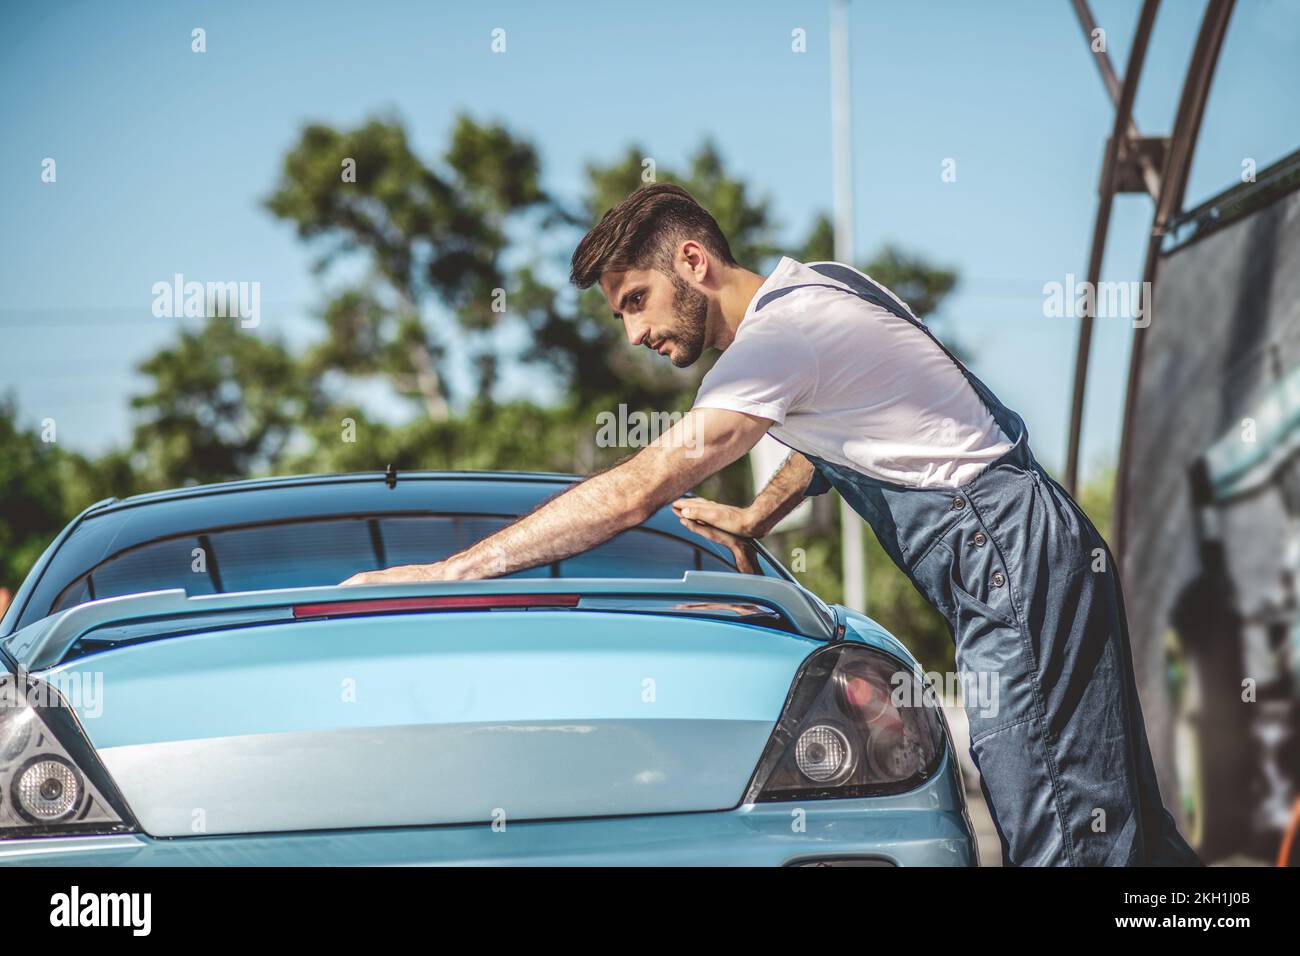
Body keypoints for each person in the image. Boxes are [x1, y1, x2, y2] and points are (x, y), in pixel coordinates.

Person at [343, 183, 1202, 866]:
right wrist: (757, 513)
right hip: (1030, 543)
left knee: (1063, 827)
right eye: (622, 315)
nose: (636, 330)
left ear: (693, 260)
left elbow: (637, 488)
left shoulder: (776, 340)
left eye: (637, 300)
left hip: (1003, 552)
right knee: (1126, 828)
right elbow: (841, 433)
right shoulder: (819, 289)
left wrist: (446, 574)